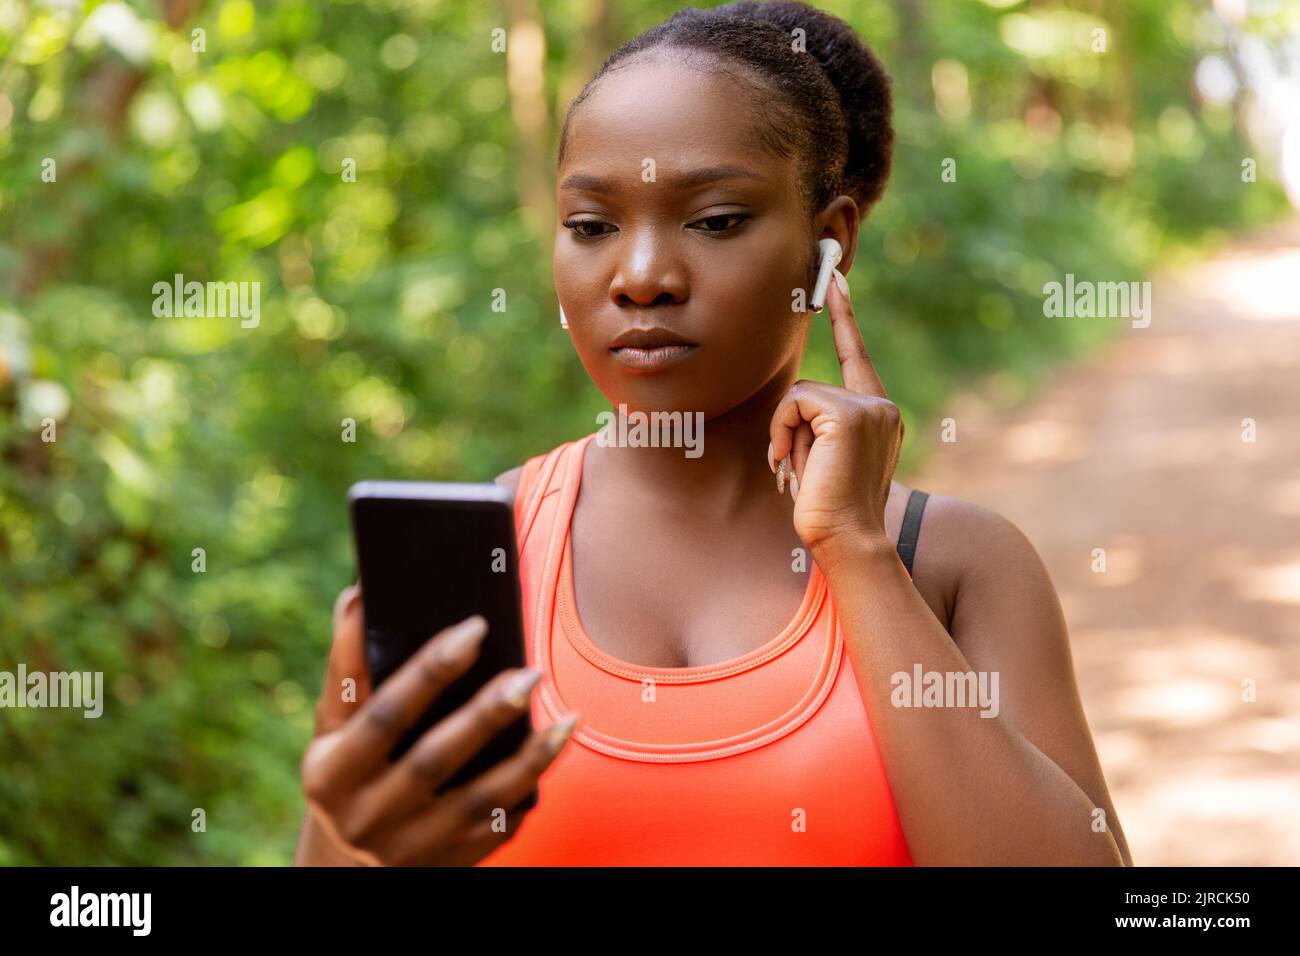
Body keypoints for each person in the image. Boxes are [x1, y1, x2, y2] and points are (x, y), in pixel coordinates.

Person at [295, 0, 1133, 867]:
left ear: (829, 246)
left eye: (715, 220)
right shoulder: (475, 553)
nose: (643, 275)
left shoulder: (951, 563)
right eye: (591, 226)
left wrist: (857, 551)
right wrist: (354, 845)